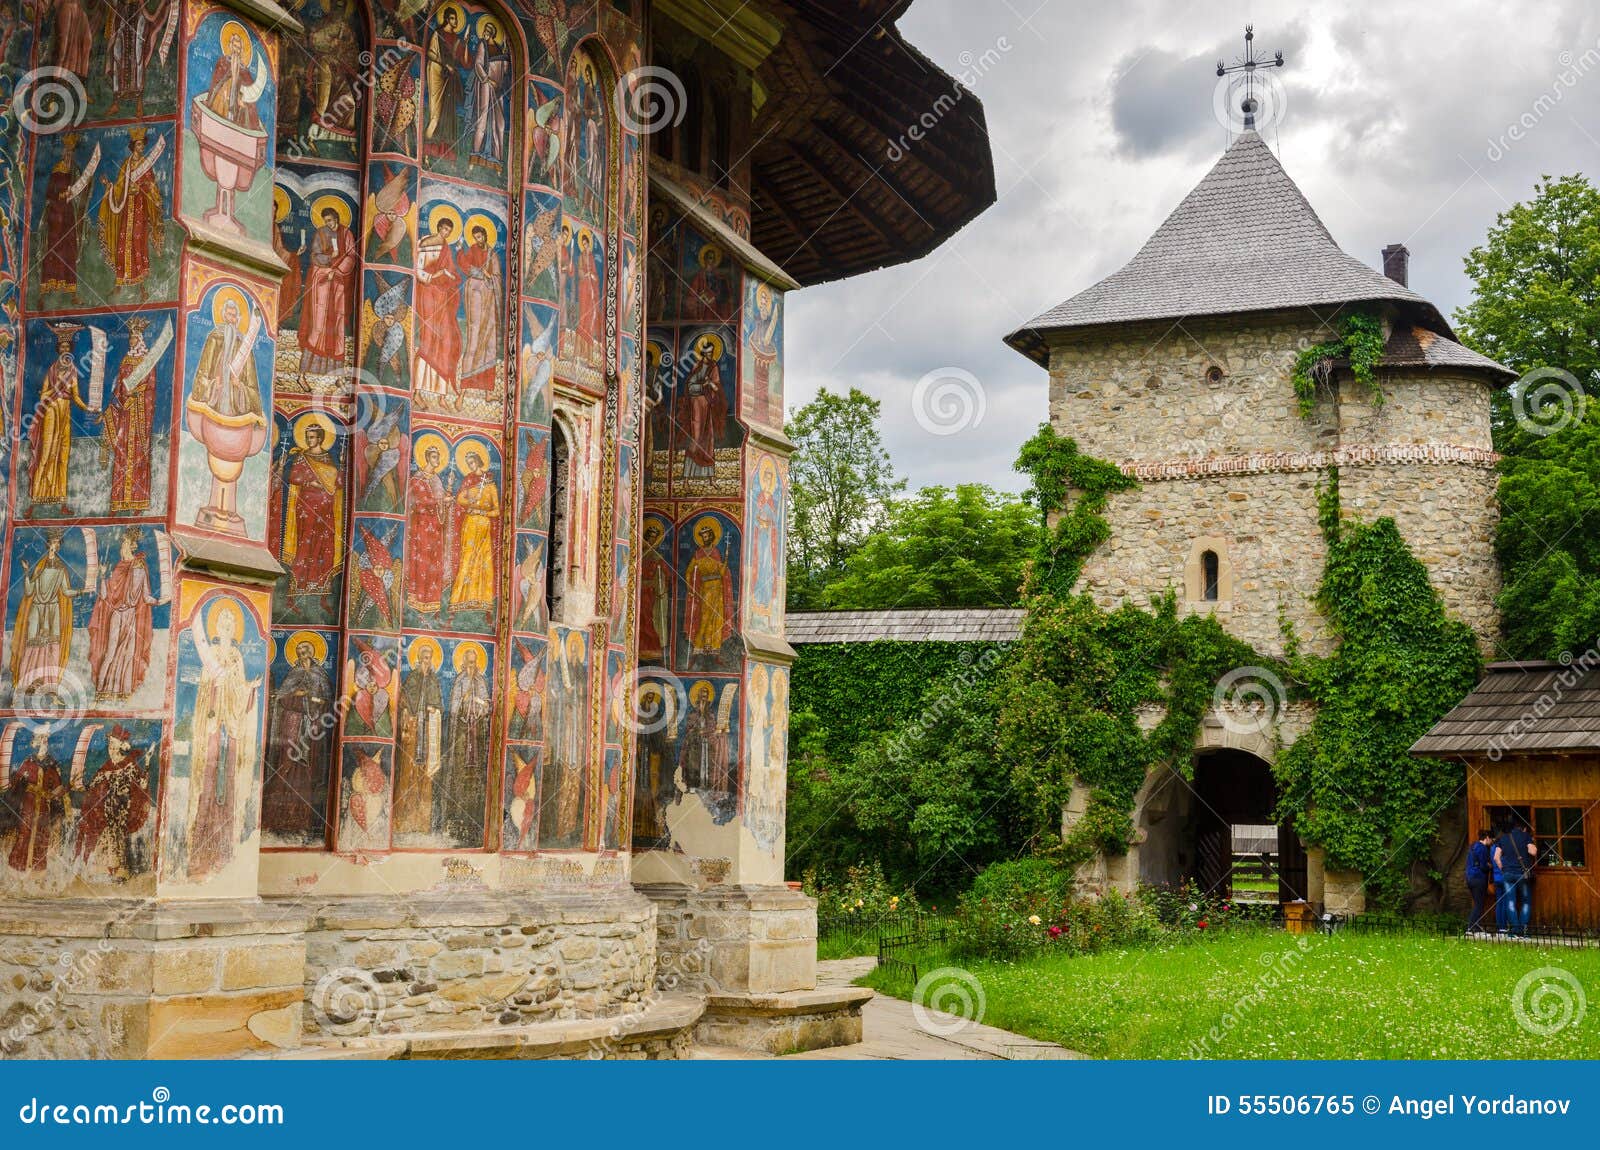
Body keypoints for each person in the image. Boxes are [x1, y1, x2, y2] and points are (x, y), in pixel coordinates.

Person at [1493, 817, 1537, 937]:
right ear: (1524, 828)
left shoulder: (1503, 838)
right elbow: (1532, 852)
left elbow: (1496, 857)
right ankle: (1523, 931)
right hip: (1522, 873)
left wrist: (1503, 868)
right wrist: (1532, 844)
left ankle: (1514, 931)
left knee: (1510, 902)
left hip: (1508, 873)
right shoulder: (1525, 836)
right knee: (1526, 902)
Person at [1465, 828, 1492, 933]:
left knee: (1477, 903)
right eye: (1491, 839)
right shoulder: (1483, 848)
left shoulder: (1473, 846)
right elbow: (1483, 866)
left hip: (1470, 877)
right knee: (1479, 904)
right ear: (1487, 838)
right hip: (1478, 878)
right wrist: (1489, 866)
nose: (1491, 841)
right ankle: (1471, 927)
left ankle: (1475, 926)